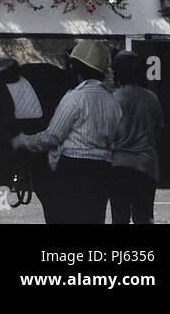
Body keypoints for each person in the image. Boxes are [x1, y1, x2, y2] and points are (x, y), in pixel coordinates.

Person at [12, 40, 122, 224]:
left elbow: (51, 137)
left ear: (76, 67)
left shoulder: (74, 98)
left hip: (73, 169)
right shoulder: (113, 101)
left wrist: (22, 141)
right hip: (103, 170)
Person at [109, 50, 163, 224]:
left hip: (118, 165)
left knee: (120, 217)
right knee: (144, 216)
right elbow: (158, 131)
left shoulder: (113, 99)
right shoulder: (151, 98)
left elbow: (107, 133)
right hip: (145, 164)